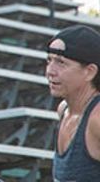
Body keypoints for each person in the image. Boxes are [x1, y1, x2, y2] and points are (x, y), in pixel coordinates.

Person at [46, 25, 100, 181]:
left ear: (89, 71)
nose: (50, 70)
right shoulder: (63, 110)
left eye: (61, 63)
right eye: (49, 60)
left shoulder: (97, 118)